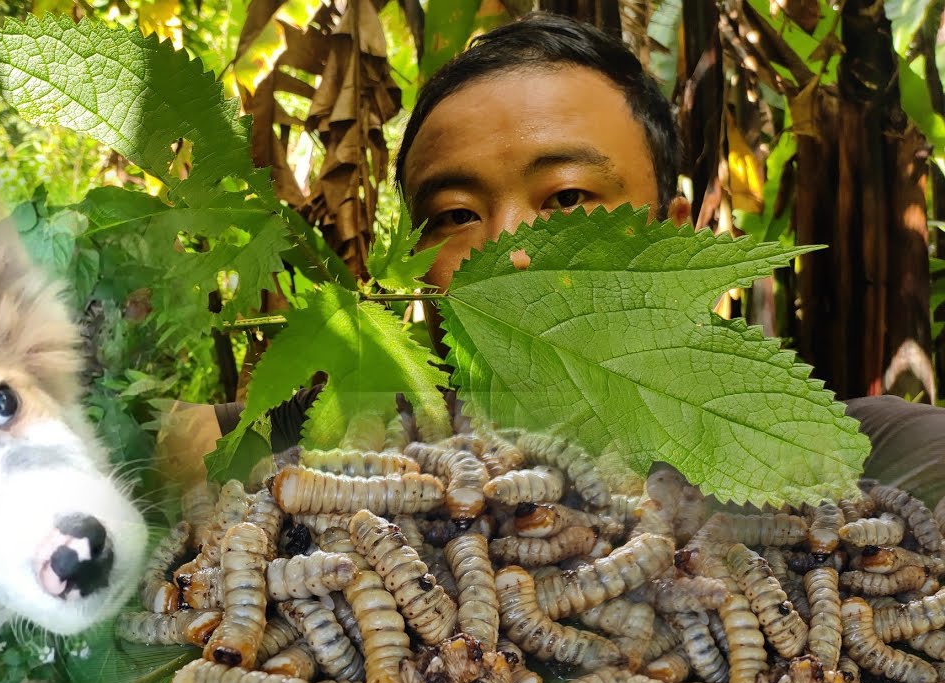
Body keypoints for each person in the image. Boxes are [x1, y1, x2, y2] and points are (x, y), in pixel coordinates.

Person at [155, 12, 936, 493]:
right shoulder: (349, 443)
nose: (510, 257)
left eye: (567, 201)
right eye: (456, 214)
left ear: (668, 236)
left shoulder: (878, 456)